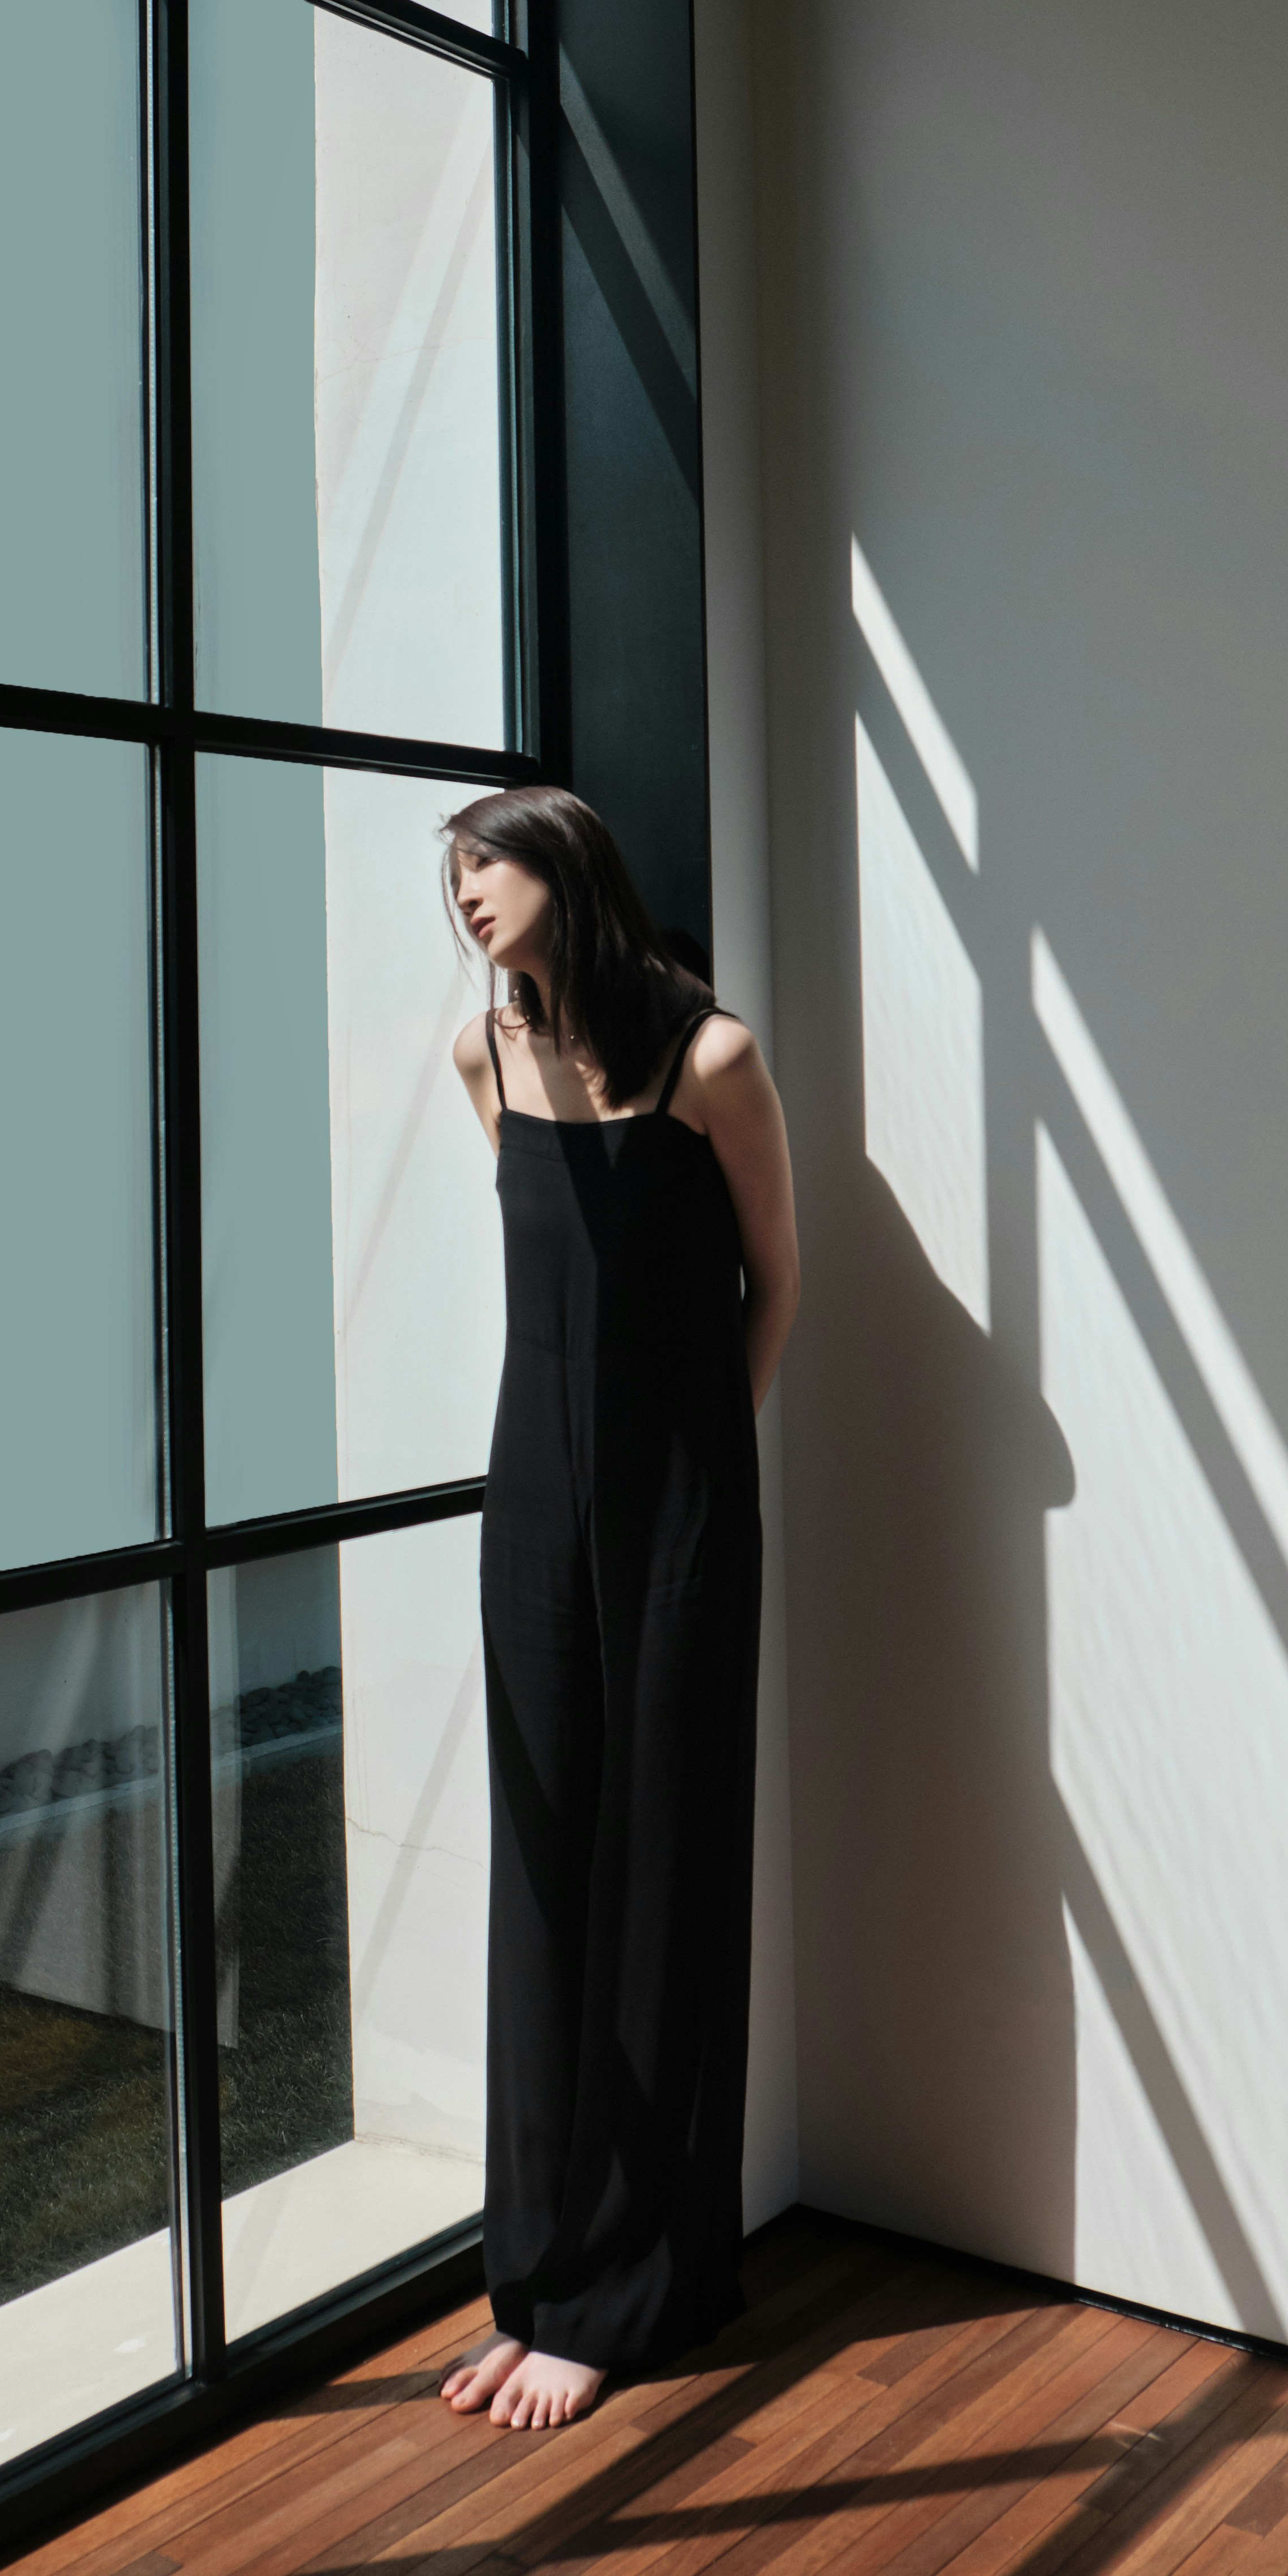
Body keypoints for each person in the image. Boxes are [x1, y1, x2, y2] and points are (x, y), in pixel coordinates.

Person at [434, 787, 800, 2433]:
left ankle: (632, 2292)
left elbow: (776, 1282)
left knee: (657, 1880)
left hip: (677, 1524)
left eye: (483, 870)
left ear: (564, 871)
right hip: (529, 1517)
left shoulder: (709, 1059)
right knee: (546, 1880)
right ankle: (540, 2272)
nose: (463, 901)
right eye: (449, 880)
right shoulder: (484, 1057)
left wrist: (706, 1481)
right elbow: (554, 1295)